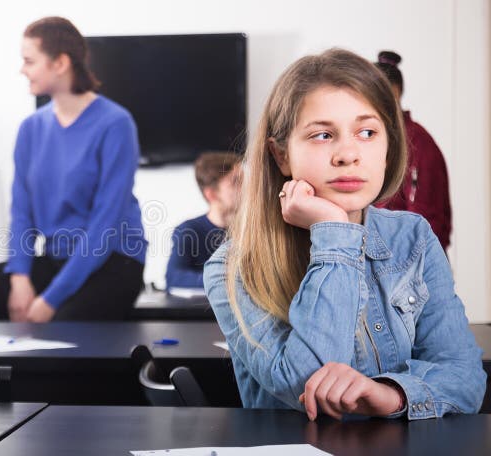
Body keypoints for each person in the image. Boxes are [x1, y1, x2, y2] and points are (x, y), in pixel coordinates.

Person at [204, 49, 485, 421]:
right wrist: (334, 232)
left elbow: (466, 381)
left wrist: (391, 394)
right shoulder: (232, 267)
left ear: (388, 148)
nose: (348, 154)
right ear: (281, 154)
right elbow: (304, 385)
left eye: (367, 132)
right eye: (322, 135)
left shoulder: (413, 237)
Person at [0, 16, 147, 322]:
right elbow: (22, 212)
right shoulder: (31, 129)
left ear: (60, 63)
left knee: (53, 329)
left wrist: (50, 300)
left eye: (29, 61)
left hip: (113, 263)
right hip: (54, 260)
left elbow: (104, 227)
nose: (22, 70)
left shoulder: (115, 123)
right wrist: (19, 279)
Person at [374, 50, 452, 250]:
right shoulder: (374, 139)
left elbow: (427, 220)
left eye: (379, 92)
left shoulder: (419, 143)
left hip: (413, 267)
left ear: (396, 91)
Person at [165, 151, 242, 290]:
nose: (245, 187)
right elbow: (174, 277)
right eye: (236, 182)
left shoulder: (250, 230)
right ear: (212, 194)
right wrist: (227, 283)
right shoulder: (188, 230)